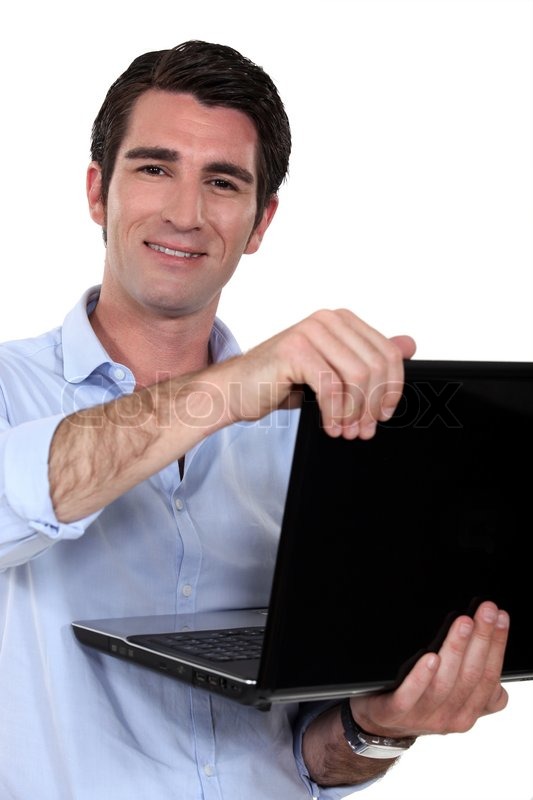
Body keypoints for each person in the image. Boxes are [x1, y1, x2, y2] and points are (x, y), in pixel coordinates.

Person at [0, 40, 509, 800]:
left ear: (260, 221)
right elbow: (19, 496)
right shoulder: (11, 388)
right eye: (154, 168)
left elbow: (303, 759)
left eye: (222, 182)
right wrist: (231, 389)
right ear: (97, 192)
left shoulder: (318, 434)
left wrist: (379, 726)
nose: (185, 213)